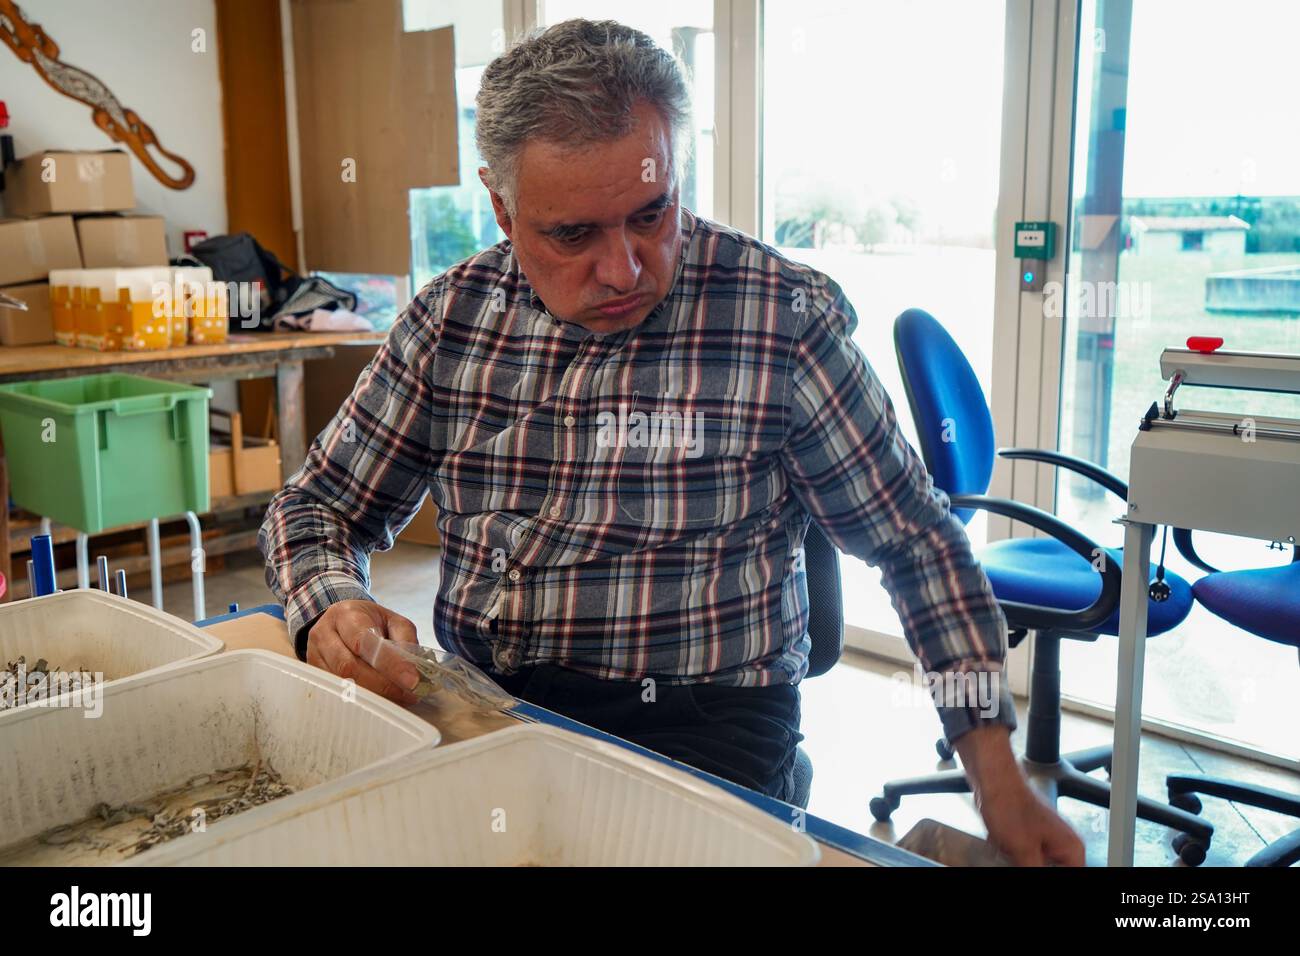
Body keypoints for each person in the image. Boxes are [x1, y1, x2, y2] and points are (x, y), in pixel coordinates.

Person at [259, 18, 1084, 865]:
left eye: (652, 215)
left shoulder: (779, 322)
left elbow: (918, 547)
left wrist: (995, 774)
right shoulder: (452, 321)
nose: (623, 269)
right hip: (490, 704)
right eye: (572, 234)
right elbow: (317, 506)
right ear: (502, 208)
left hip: (707, 725)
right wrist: (329, 603)